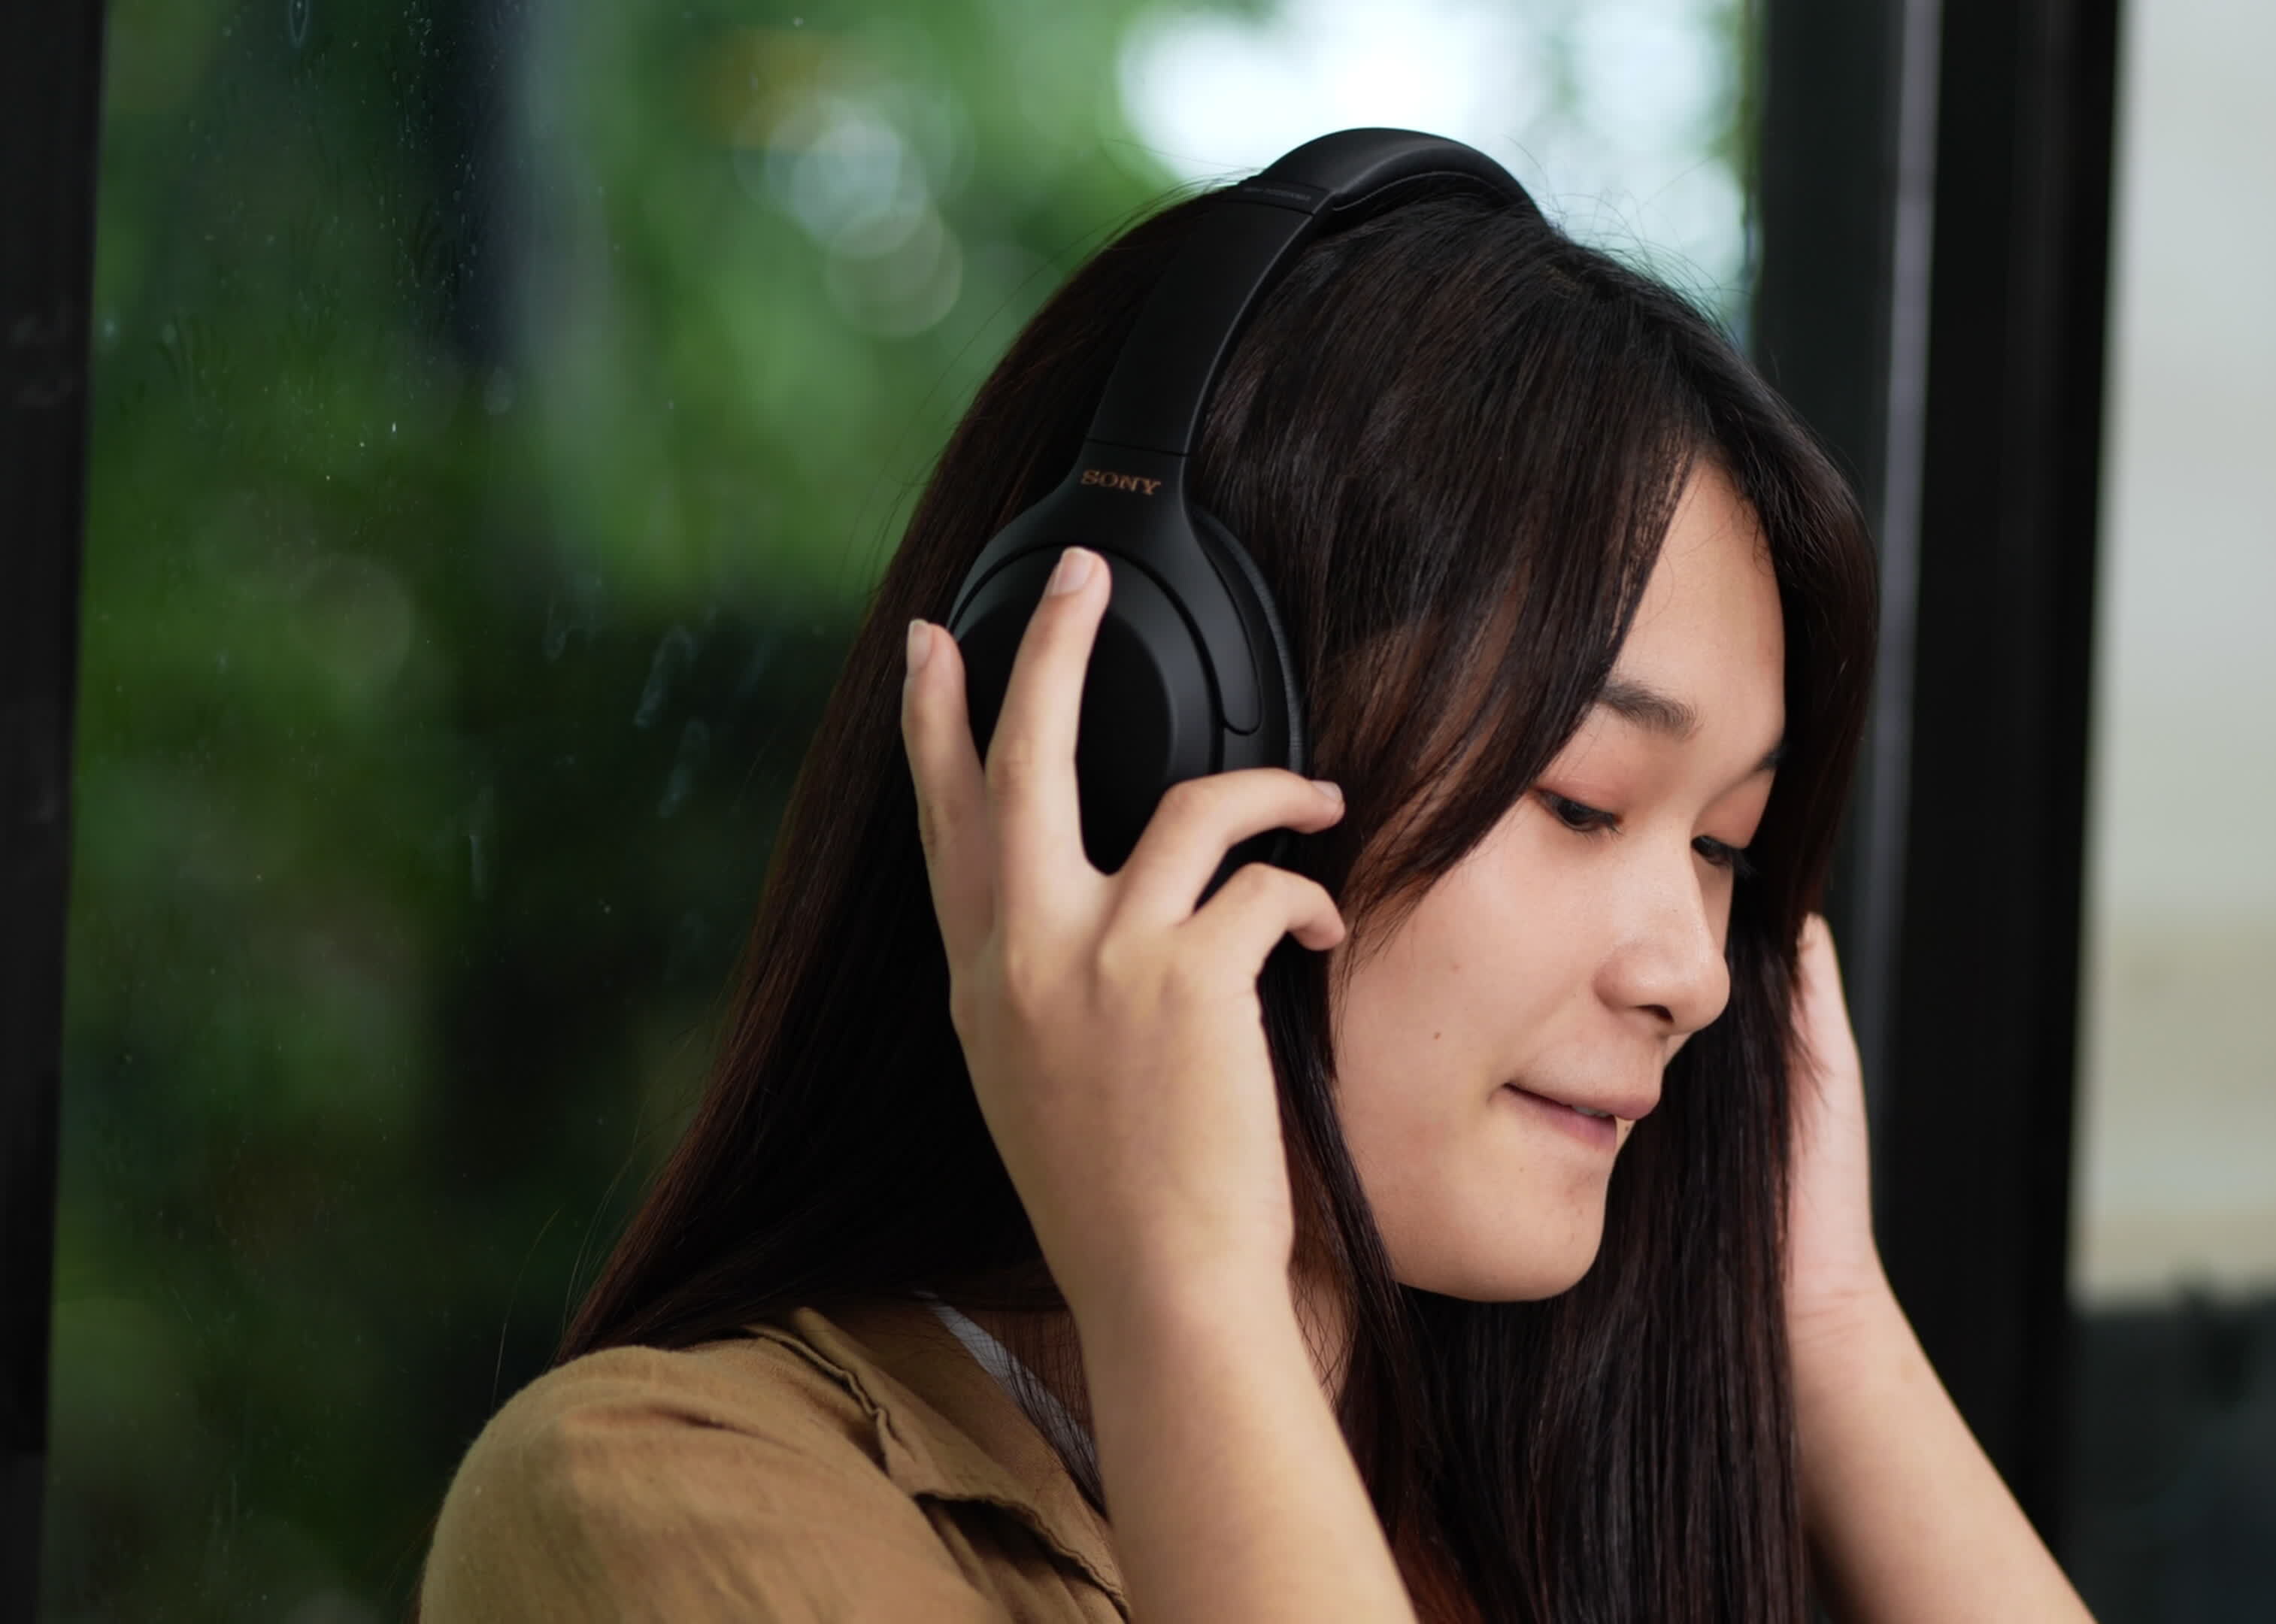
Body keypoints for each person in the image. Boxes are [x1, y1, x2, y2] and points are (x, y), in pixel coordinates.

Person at [419, 177, 2095, 1622]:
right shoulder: (663, 1497)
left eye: (1722, 845)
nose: (1694, 975)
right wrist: (1189, 1288)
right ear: (1141, 756)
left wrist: (1827, 1329)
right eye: (1580, 801)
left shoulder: (1550, 1523)